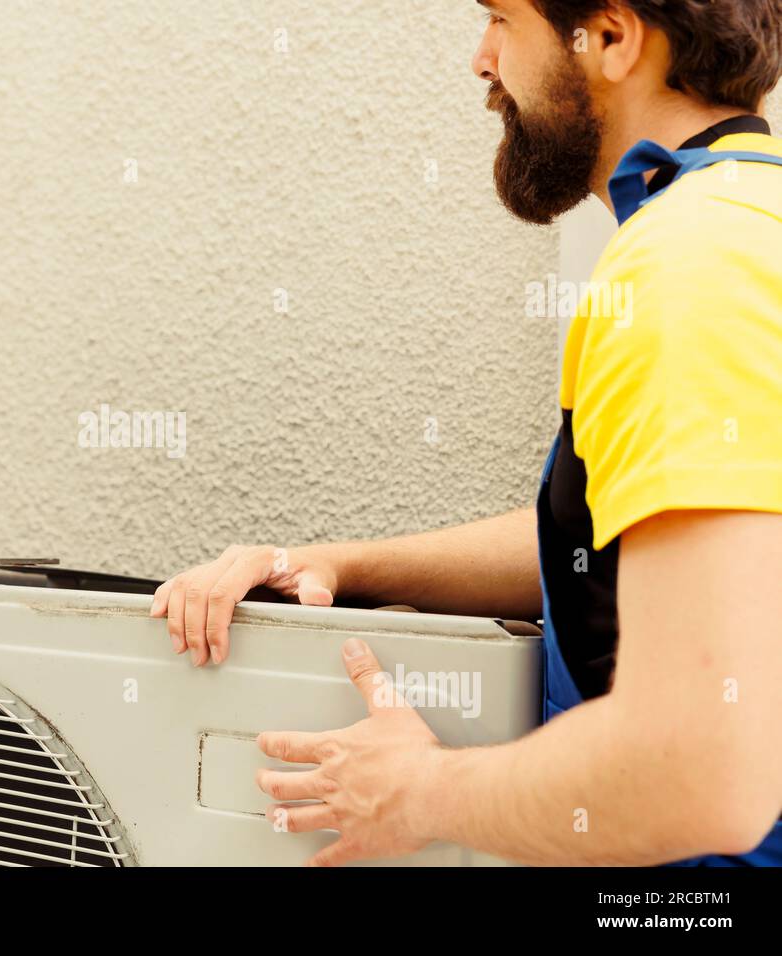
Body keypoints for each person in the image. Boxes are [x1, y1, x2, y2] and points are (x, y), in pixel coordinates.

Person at [152, 0, 782, 866]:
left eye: (500, 19)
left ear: (608, 38)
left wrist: (417, 794)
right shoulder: (750, 222)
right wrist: (341, 564)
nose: (483, 60)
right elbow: (660, 545)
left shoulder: (690, 268)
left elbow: (699, 777)